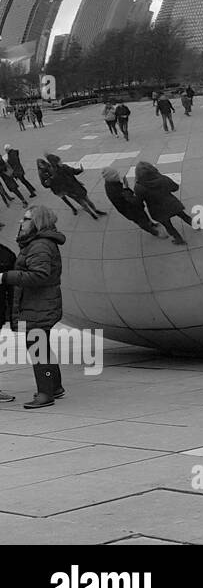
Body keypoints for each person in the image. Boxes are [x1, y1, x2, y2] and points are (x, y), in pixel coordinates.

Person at [1, 205, 66, 407]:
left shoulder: (40, 245)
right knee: (41, 346)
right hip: (38, 304)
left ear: (38, 222)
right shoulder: (37, 243)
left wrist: (5, 276)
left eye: (27, 219)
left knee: (38, 348)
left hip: (39, 304)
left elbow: (39, 275)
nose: (21, 222)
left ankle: (46, 393)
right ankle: (54, 387)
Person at [134, 160, 195, 246]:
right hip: (171, 204)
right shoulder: (163, 179)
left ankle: (179, 239)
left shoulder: (138, 187)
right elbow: (175, 187)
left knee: (168, 226)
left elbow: (139, 202)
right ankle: (195, 224)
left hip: (157, 211)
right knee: (184, 216)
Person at [102, 168, 162, 237]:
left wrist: (125, 187)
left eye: (117, 174)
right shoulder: (113, 190)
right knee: (141, 221)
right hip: (129, 210)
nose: (118, 176)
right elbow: (130, 199)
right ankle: (155, 233)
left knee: (143, 214)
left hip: (133, 206)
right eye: (115, 176)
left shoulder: (112, 182)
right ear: (111, 178)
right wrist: (126, 187)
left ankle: (151, 223)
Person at [43, 154, 106, 219]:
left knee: (88, 200)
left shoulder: (64, 167)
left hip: (76, 187)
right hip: (70, 191)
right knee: (83, 204)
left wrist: (79, 170)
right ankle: (92, 214)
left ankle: (95, 210)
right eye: (59, 162)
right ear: (55, 163)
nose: (61, 162)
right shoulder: (54, 174)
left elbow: (73, 171)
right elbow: (55, 185)